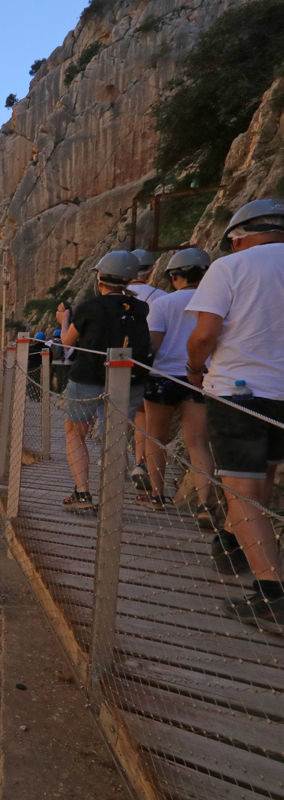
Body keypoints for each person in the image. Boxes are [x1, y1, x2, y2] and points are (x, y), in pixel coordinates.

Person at [186, 198, 284, 633]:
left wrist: (193, 368)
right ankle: (235, 547)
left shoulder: (229, 267)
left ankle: (271, 595)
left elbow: (205, 334)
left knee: (241, 491)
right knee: (263, 478)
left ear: (237, 236)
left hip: (238, 394)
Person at [56, 251, 153, 511]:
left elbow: (67, 342)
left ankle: (83, 493)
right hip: (129, 380)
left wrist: (64, 321)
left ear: (99, 281)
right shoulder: (141, 308)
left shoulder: (89, 307)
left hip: (88, 377)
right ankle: (112, 497)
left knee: (75, 433)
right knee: (115, 435)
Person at [137, 248, 218, 531]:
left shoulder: (163, 304)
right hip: (199, 378)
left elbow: (152, 344)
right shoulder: (216, 302)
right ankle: (205, 504)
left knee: (155, 439)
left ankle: (157, 496)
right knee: (198, 443)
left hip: (161, 377)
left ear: (175, 277)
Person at [127, 249, 167, 489]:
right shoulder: (161, 297)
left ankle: (117, 461)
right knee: (148, 420)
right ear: (152, 271)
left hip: (121, 364)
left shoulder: (119, 295)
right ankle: (142, 463)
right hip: (154, 366)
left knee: (129, 416)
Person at [27, 332, 47, 400]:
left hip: (31, 367)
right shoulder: (47, 348)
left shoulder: (30, 348)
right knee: (41, 382)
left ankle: (33, 395)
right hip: (44, 367)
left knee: (31, 382)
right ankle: (41, 395)